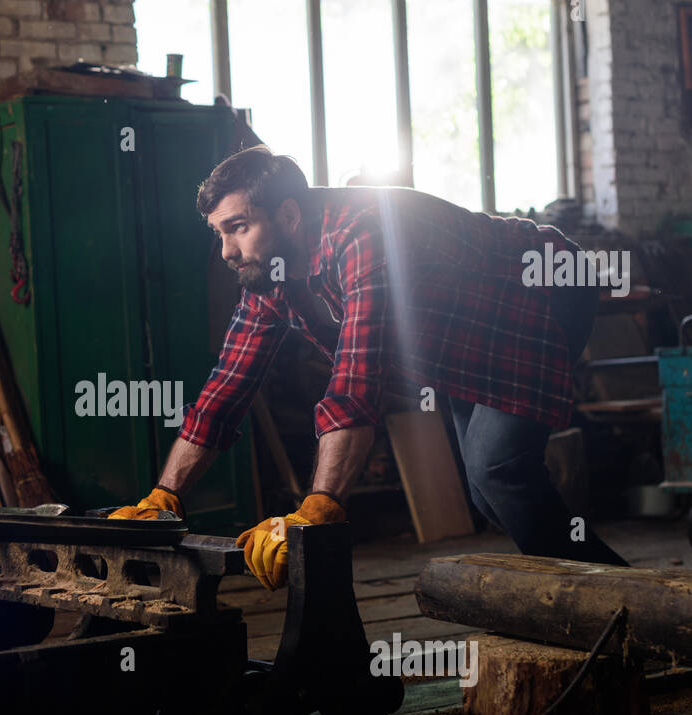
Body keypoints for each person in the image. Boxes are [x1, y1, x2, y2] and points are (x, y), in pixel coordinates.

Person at [110, 145, 628, 592]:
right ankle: (596, 597)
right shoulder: (270, 271)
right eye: (219, 234)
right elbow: (226, 387)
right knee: (488, 492)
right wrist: (164, 497)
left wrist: (318, 509)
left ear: (289, 216)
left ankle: (618, 602)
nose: (226, 251)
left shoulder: (359, 234)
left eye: (238, 228)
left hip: (545, 285)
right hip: (467, 326)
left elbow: (356, 385)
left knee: (498, 470)